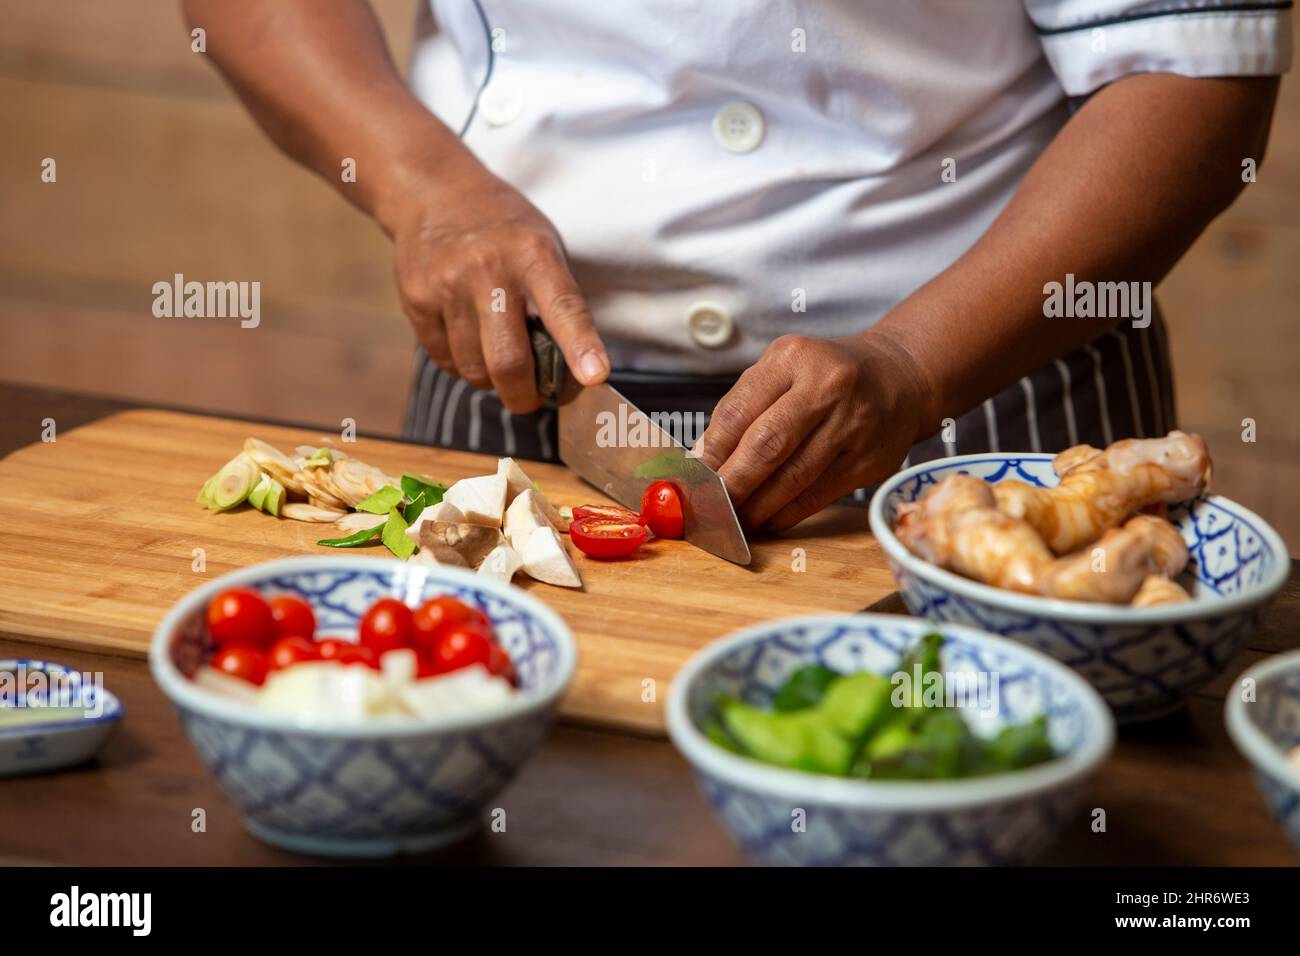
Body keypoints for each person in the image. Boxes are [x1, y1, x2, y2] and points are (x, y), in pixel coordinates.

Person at [187, 0, 1288, 531]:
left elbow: (1191, 66)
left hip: (996, 395)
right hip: (525, 386)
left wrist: (913, 357)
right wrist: (419, 182)